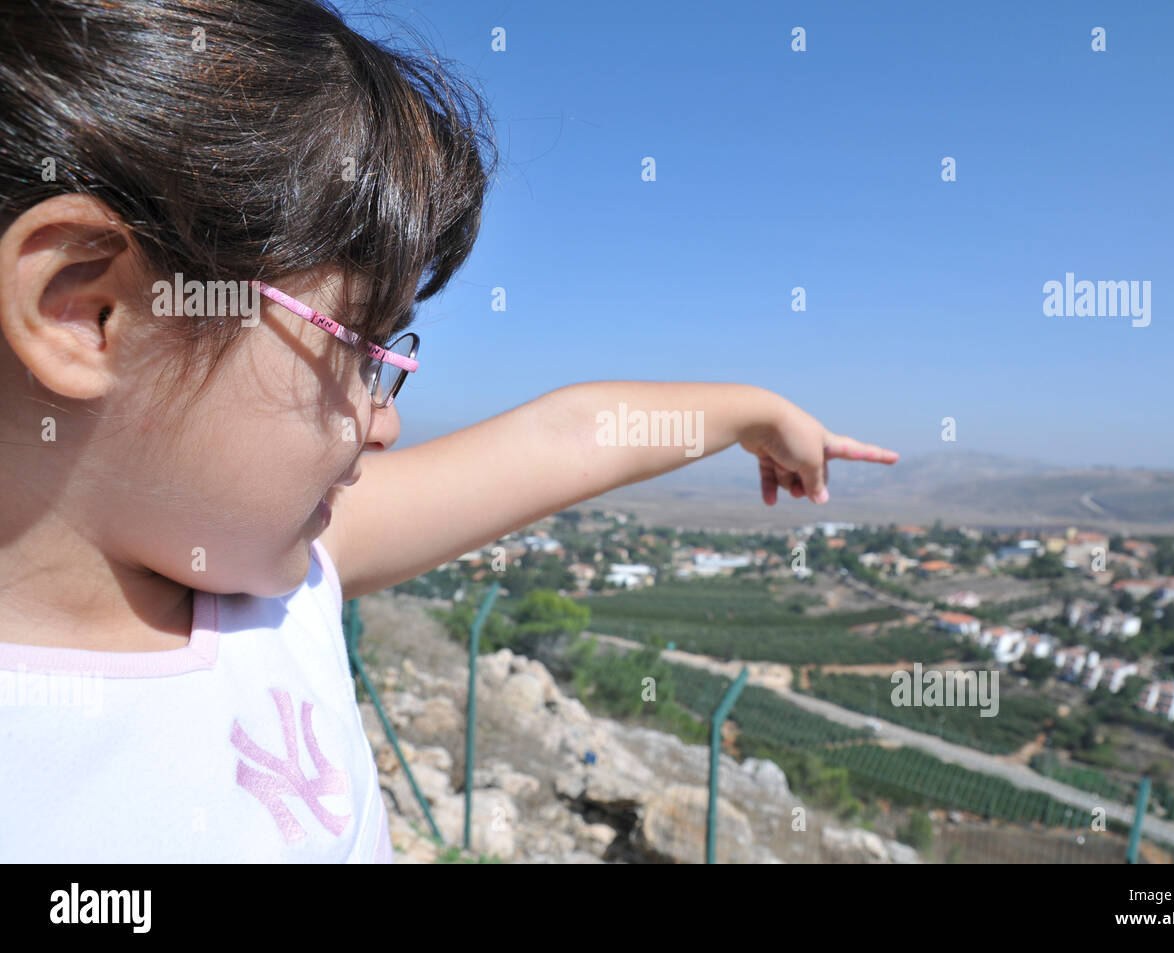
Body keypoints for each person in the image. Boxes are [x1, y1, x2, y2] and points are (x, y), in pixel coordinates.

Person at [0, 0, 897, 863]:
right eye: (359, 349)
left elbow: (566, 437)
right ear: (87, 310)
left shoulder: (282, 569)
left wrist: (752, 411)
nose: (385, 421)